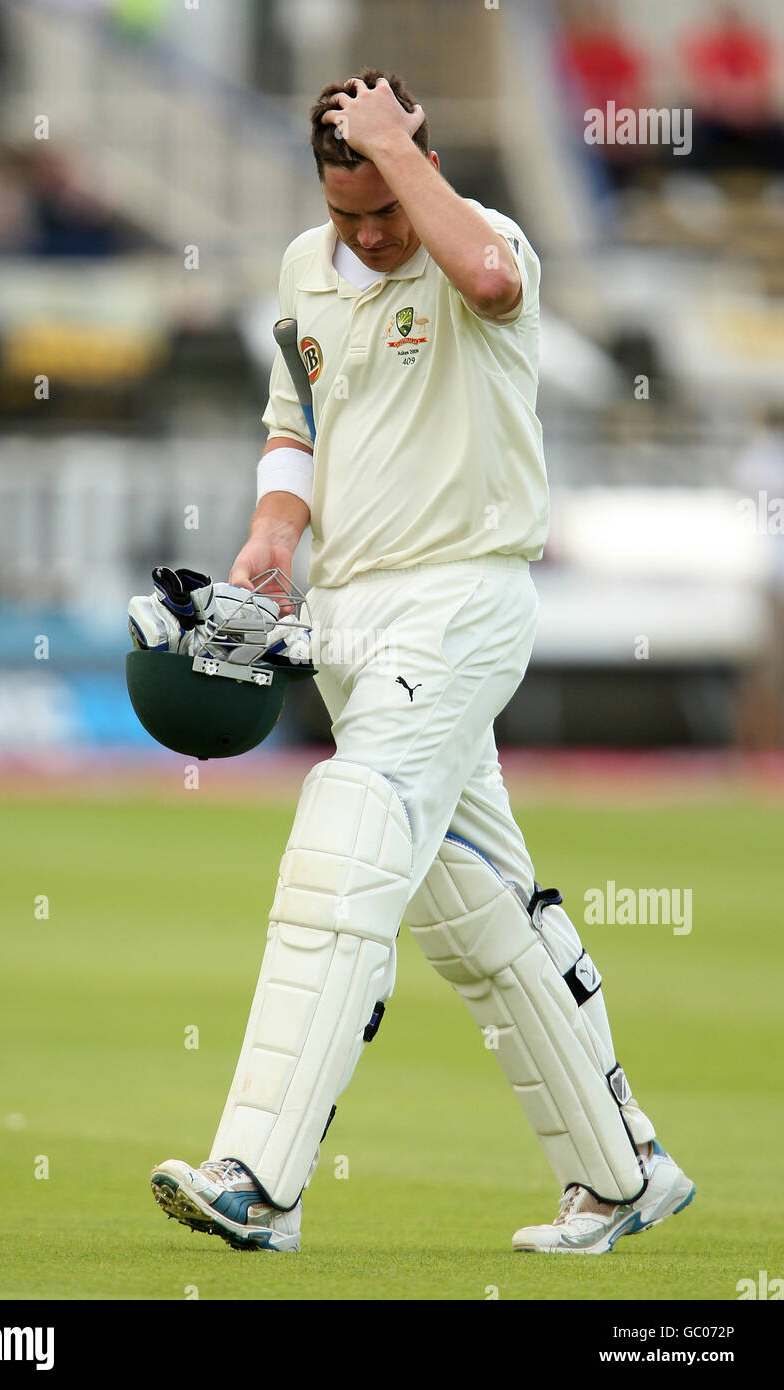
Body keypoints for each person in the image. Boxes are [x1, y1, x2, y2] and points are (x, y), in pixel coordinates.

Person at [149, 68, 695, 1254]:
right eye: (349, 214)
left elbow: (490, 279)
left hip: (460, 596)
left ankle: (259, 1175)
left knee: (344, 832)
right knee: (472, 911)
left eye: (385, 203)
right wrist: (273, 534)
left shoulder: (479, 244)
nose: (370, 234)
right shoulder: (306, 264)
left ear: (418, 164)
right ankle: (622, 1170)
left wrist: (406, 163)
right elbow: (293, 422)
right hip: (348, 620)